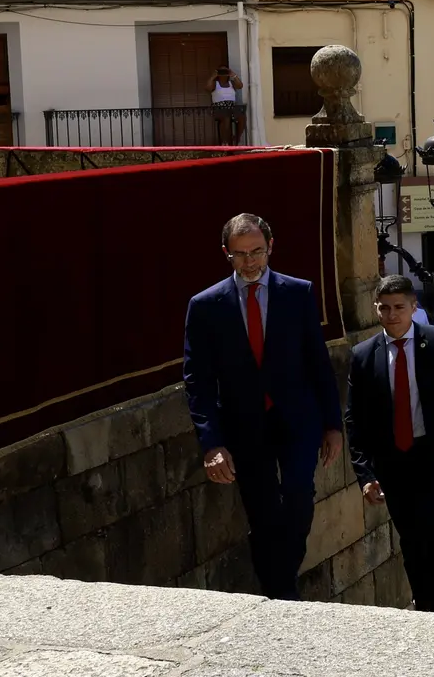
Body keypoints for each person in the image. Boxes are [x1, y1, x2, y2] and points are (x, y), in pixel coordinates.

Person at [181, 213, 343, 600]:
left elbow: (317, 361)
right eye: (240, 255)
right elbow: (197, 381)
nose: (250, 262)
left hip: (298, 420)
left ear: (271, 247)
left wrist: (333, 425)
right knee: (263, 514)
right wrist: (212, 444)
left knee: (300, 500)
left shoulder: (297, 292)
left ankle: (280, 586)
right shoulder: (205, 305)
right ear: (226, 254)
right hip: (244, 426)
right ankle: (282, 596)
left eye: (256, 252)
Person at [346, 274, 434, 612]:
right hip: (395, 464)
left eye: (399, 307)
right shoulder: (363, 356)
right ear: (376, 310)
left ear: (413, 307)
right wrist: (365, 475)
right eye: (384, 308)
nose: (392, 314)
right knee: (412, 543)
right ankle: (428, 607)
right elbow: (356, 419)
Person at [207, 66, 245, 142]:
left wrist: (233, 75)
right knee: (226, 117)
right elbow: (208, 88)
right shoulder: (215, 84)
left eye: (225, 71)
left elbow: (240, 86)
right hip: (219, 108)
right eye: (221, 71)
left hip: (231, 107)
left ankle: (237, 138)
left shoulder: (232, 83)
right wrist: (212, 77)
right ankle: (225, 142)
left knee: (242, 118)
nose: (223, 73)